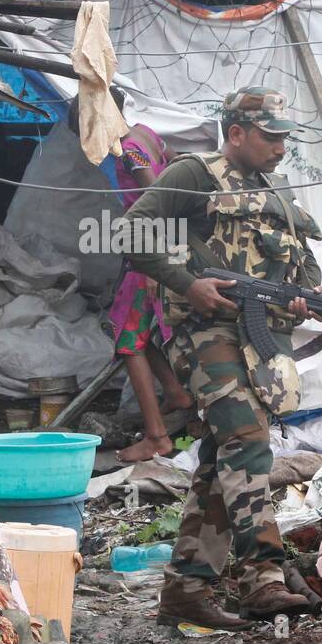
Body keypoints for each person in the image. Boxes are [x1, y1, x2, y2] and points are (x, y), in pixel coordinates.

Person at [122, 86, 322, 630]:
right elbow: (130, 232)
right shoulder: (193, 175)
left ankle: (187, 591)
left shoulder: (276, 194)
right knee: (247, 442)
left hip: (259, 338)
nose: (281, 148)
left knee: (219, 462)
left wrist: (301, 297)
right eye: (270, 136)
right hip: (205, 335)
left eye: (285, 138)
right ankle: (263, 578)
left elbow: (299, 266)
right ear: (235, 132)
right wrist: (187, 284)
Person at [103, 110, 196, 463]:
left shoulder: (129, 148)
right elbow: (177, 161)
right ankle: (175, 392)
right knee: (135, 333)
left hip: (148, 252)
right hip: (164, 249)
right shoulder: (145, 133)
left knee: (127, 341)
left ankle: (157, 436)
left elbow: (156, 191)